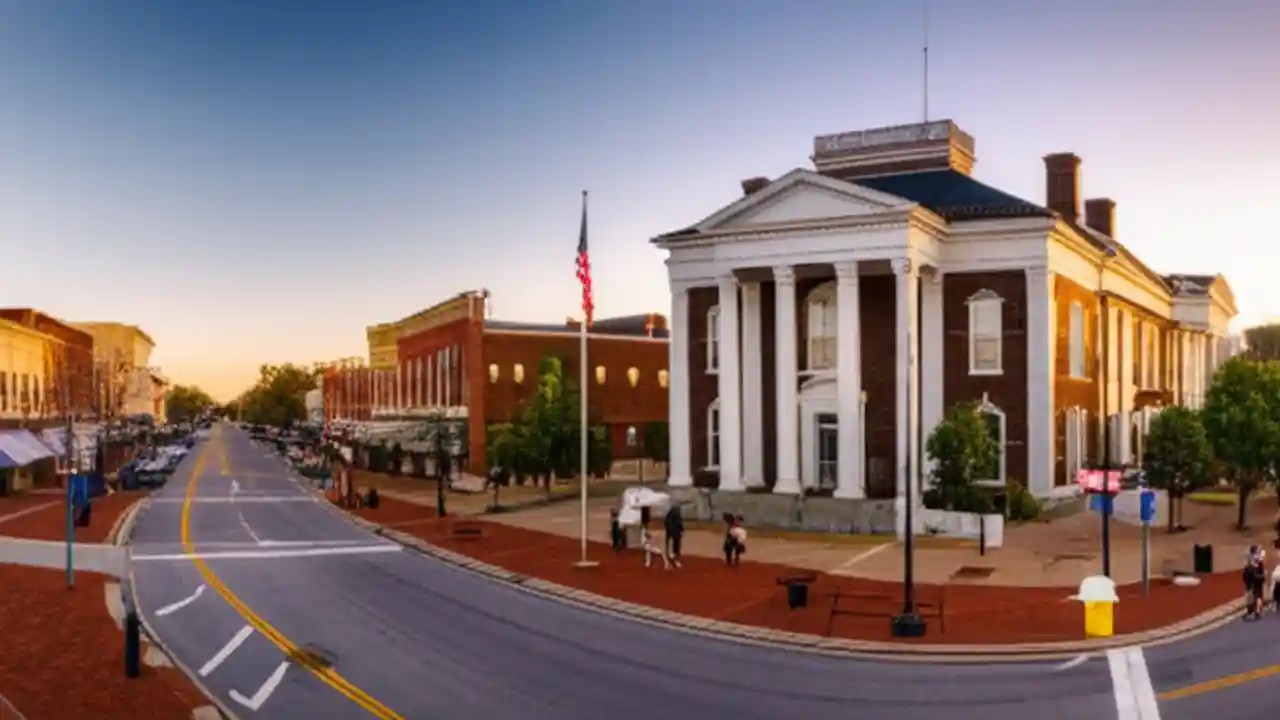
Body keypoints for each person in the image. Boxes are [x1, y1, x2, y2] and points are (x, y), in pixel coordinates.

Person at [663, 503, 684, 568]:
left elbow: (680, 524)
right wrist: (681, 530)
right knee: (675, 547)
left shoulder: (670, 516)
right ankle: (673, 560)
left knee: (674, 547)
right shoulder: (674, 516)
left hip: (673, 533)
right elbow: (680, 524)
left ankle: (673, 559)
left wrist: (681, 530)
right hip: (673, 533)